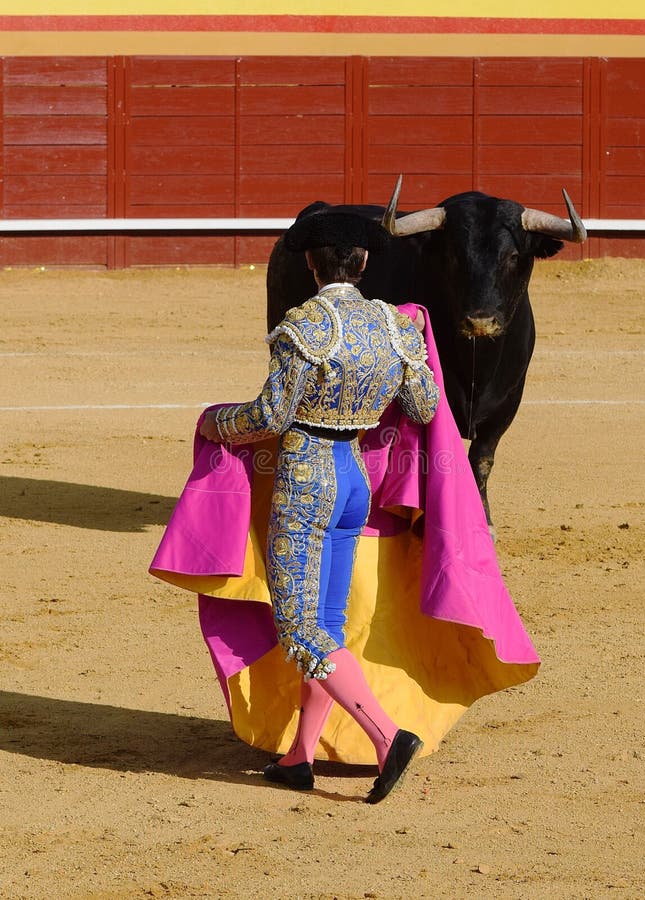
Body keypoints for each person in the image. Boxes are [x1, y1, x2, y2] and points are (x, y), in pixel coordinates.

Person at [198, 210, 440, 803]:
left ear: (310, 264)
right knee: (326, 625)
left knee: (302, 628)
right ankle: (299, 756)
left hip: (307, 476)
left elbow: (271, 417)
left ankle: (388, 737)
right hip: (354, 478)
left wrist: (215, 422)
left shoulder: (302, 326)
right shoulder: (395, 325)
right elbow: (426, 407)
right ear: (362, 263)